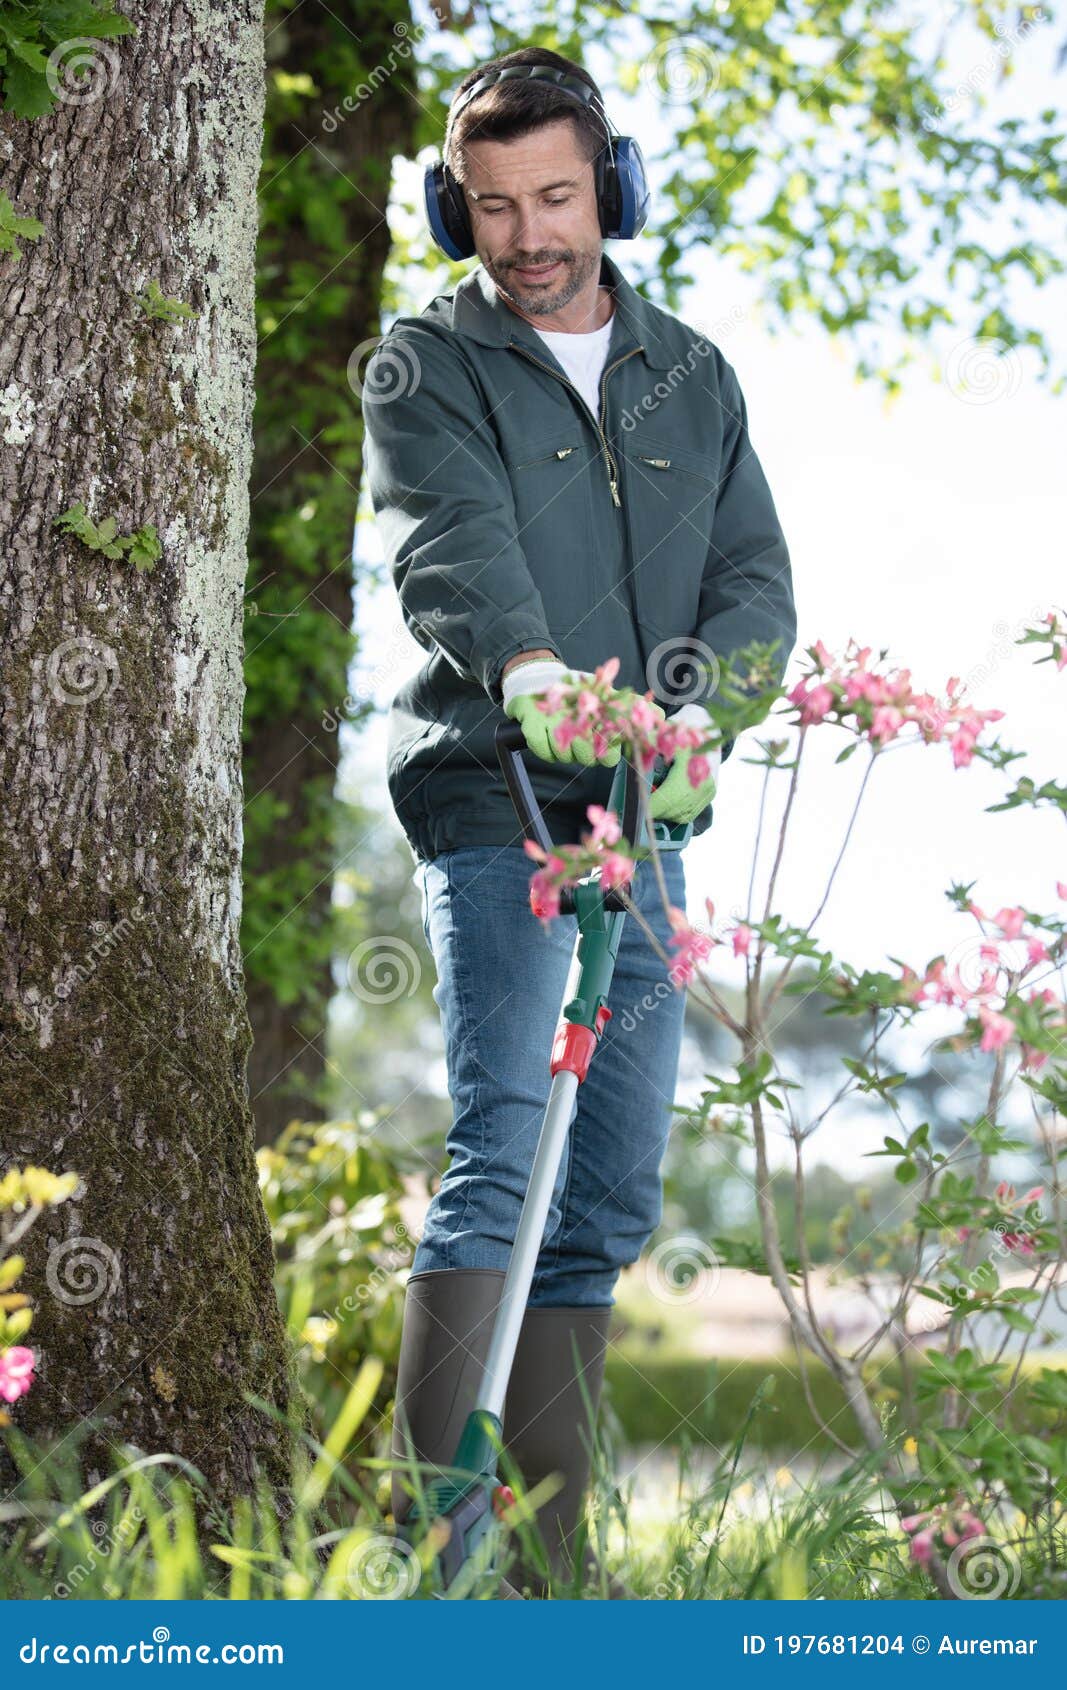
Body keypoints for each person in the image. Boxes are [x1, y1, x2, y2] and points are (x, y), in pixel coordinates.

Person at [361, 45, 797, 1596]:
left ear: (608, 186)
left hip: (645, 806)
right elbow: (447, 541)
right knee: (507, 1144)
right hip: (500, 788)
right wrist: (532, 668)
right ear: (454, 210)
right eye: (492, 206)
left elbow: (753, 578)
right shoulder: (427, 359)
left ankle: (547, 1571)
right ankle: (439, 1546)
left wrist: (702, 702)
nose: (529, 233)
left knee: (604, 1186)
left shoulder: (693, 371)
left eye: (555, 196)